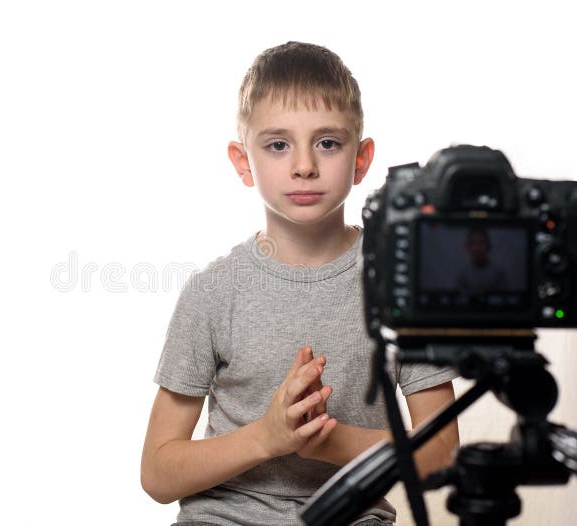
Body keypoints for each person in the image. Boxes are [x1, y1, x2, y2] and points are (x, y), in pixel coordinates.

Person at [141, 42, 460, 526]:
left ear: (361, 158)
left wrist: (331, 442)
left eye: (328, 142)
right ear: (243, 161)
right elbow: (158, 473)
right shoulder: (213, 293)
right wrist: (266, 437)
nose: (304, 165)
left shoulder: (402, 284)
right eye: (278, 144)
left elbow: (440, 453)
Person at [455, 227, 509, 296]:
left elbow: (506, 298)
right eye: (474, 243)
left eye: (481, 243)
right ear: (468, 247)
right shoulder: (463, 274)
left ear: (488, 246)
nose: (478, 248)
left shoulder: (498, 272)